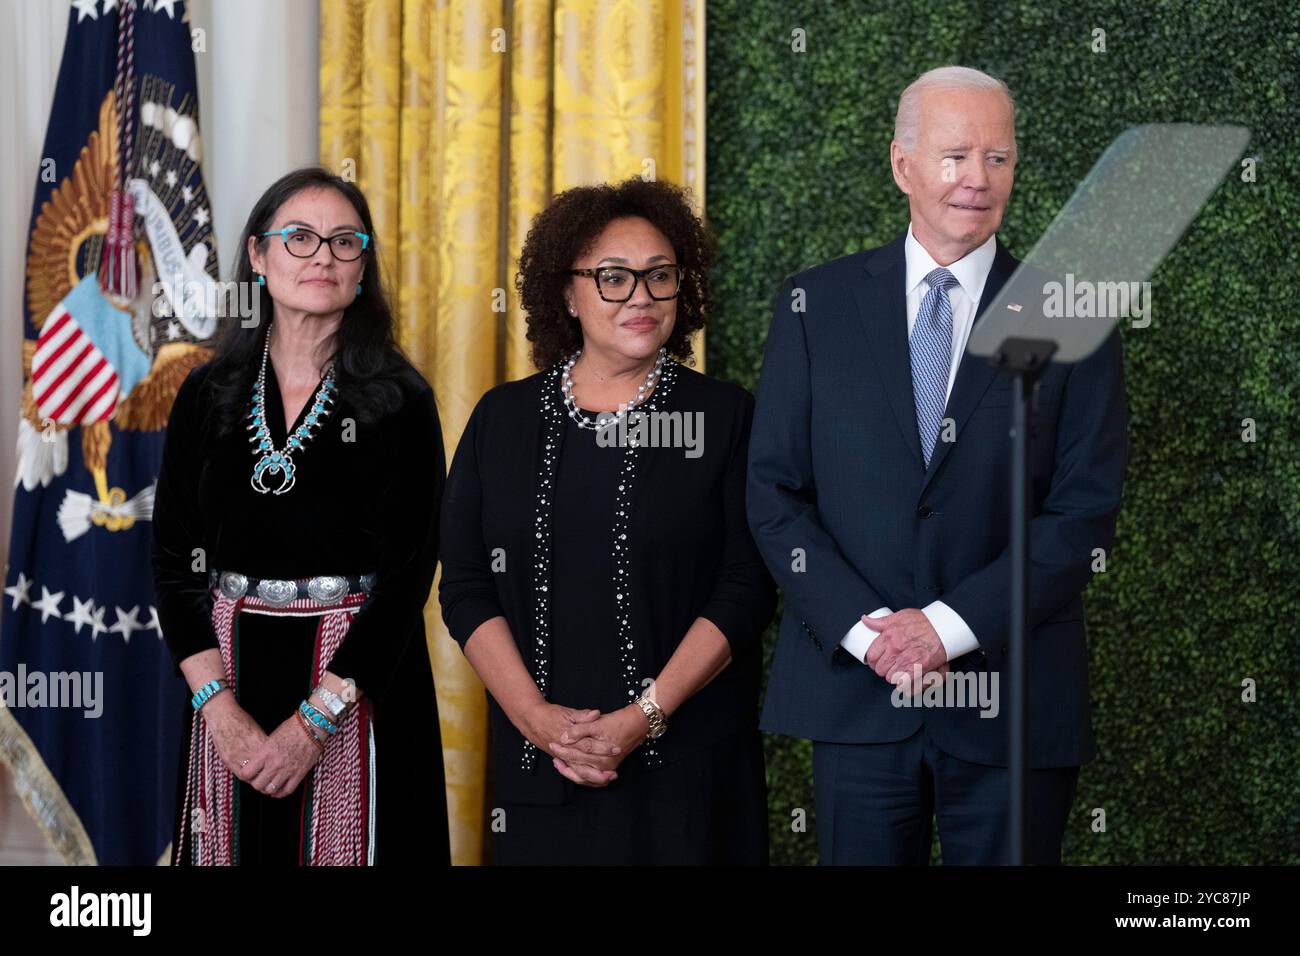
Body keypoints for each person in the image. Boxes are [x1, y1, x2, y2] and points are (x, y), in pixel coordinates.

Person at [748, 66, 1128, 864]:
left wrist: (945, 632)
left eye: (999, 158)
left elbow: (1082, 512)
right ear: (903, 165)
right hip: (856, 697)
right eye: (956, 155)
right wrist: (874, 636)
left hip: (1014, 703)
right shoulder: (812, 307)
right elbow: (775, 493)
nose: (978, 179)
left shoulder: (1074, 314)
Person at [438, 177, 776, 864]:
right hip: (544, 768)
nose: (642, 298)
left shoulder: (723, 416)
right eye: (614, 278)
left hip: (690, 769)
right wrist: (536, 721)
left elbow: (746, 588)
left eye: (660, 277)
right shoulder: (502, 420)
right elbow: (466, 586)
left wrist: (643, 717)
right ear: (567, 293)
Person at [152, 166, 450, 865]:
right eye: (301, 237)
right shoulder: (206, 391)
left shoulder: (400, 399)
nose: (324, 255)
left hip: (359, 684)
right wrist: (218, 711)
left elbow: (409, 577)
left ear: (362, 266)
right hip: (227, 683)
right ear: (258, 257)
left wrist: (314, 722)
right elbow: (172, 565)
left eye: (346, 242)